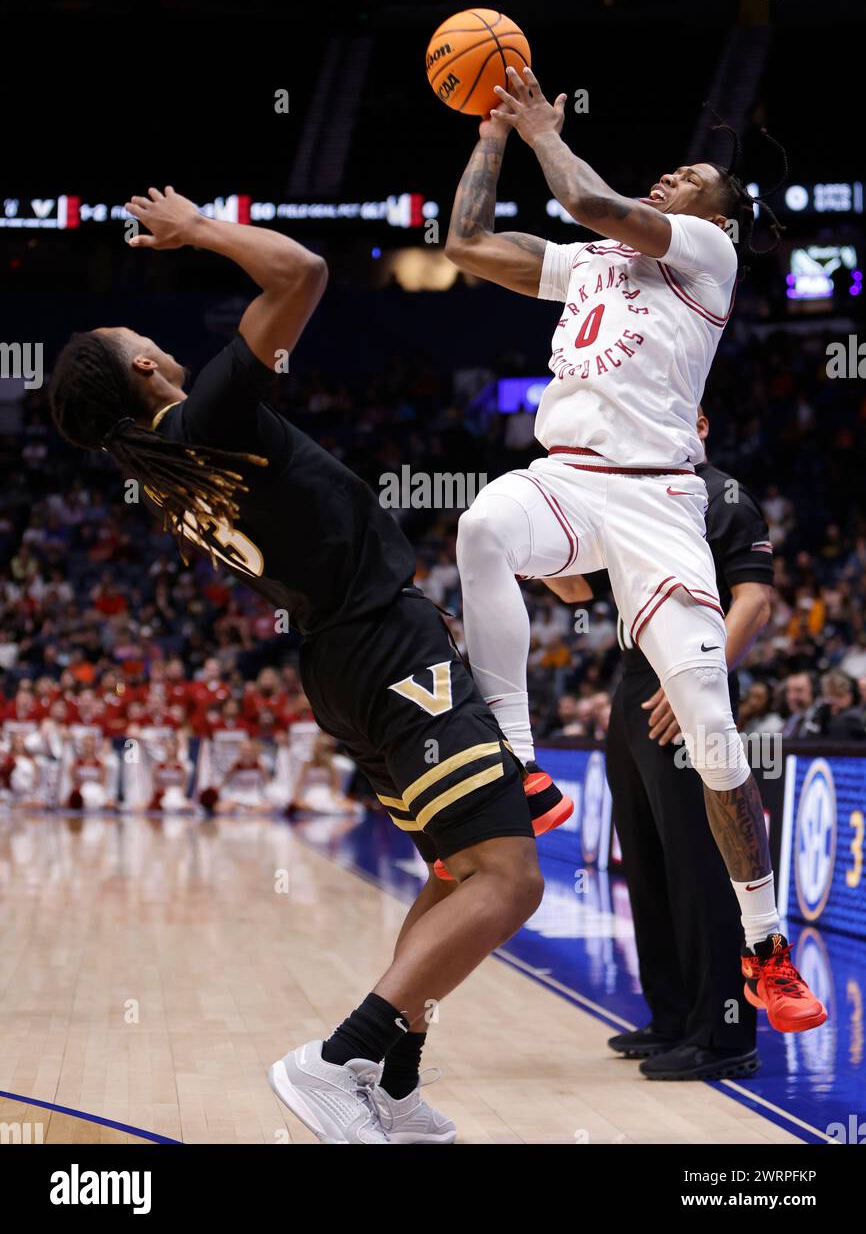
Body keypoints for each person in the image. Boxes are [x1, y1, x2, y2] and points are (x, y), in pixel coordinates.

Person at [48, 185, 572, 1146]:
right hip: (379, 647)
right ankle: (337, 1060)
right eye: (139, 336)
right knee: (510, 880)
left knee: (460, 872)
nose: (155, 339)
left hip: (348, 657)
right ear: (148, 367)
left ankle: (395, 1080)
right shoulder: (202, 418)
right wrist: (198, 228)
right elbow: (304, 271)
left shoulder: (170, 467)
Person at [445, 67, 826, 1033]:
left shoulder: (705, 256)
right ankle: (520, 765)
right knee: (483, 524)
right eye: (670, 172)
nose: (672, 180)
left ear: (719, 217)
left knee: (708, 720)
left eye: (690, 175)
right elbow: (463, 244)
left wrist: (539, 128)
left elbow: (584, 195)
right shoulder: (591, 265)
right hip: (572, 477)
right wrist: (492, 131)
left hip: (659, 498)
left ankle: (765, 948)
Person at [547, 407, 775, 1079]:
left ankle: (726, 1038)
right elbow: (574, 589)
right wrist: (544, 539)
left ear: (701, 425)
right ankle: (672, 1014)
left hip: (690, 679)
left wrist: (697, 681)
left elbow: (755, 602)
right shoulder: (627, 500)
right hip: (631, 681)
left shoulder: (726, 496)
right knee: (644, 856)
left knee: (702, 859)